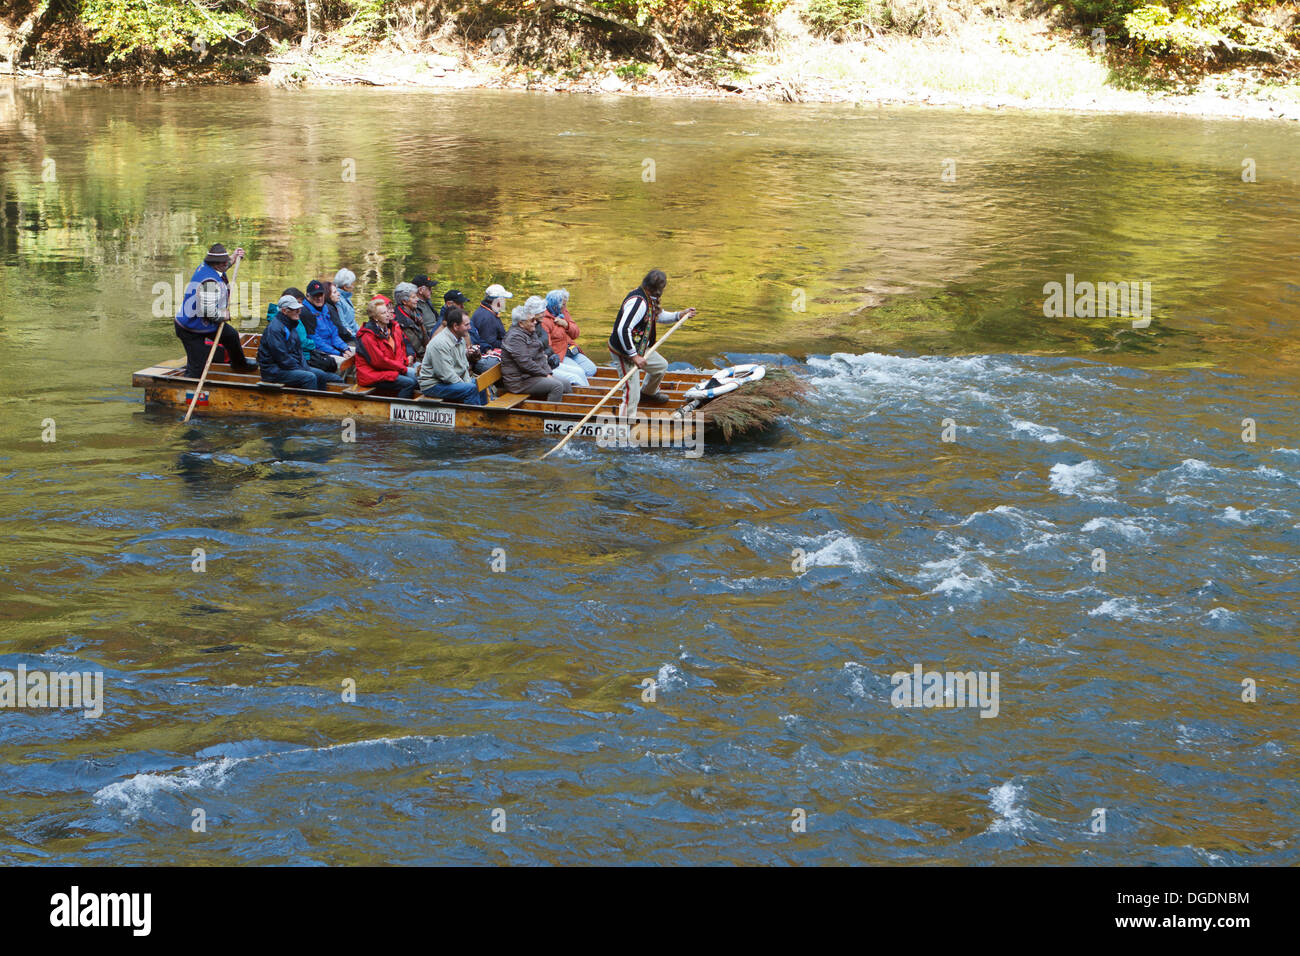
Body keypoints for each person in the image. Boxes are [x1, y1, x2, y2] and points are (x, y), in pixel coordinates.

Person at [609, 269, 696, 418]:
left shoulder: (649, 297)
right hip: (624, 352)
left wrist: (678, 315)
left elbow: (657, 315)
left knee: (660, 366)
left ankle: (648, 393)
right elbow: (622, 329)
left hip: (640, 348)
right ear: (656, 289)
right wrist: (634, 356)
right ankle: (624, 430)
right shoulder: (638, 302)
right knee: (632, 395)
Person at [174, 243, 256, 377]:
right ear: (216, 264)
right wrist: (224, 315)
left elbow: (224, 265)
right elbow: (208, 312)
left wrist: (234, 257)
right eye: (224, 262)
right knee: (197, 367)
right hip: (190, 328)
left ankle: (239, 364)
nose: (226, 264)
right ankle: (187, 386)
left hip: (204, 322)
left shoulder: (207, 266)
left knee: (231, 335)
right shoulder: (209, 283)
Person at [257, 294, 340, 389]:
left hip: (288, 366)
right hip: (274, 371)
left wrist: (304, 367)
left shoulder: (291, 325)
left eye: (299, 309)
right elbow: (281, 357)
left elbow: (298, 352)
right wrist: (301, 369)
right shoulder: (275, 329)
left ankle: (321, 400)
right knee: (309, 377)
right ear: (284, 311)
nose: (299, 312)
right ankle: (309, 403)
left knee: (320, 375)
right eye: (295, 310)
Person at [501, 305, 571, 403]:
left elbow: (541, 355)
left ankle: (565, 411)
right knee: (557, 386)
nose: (535, 322)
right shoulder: (514, 338)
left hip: (531, 376)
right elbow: (525, 363)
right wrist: (545, 374)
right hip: (519, 381)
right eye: (532, 320)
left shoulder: (530, 332)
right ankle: (549, 416)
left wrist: (548, 372)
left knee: (566, 383)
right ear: (521, 323)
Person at [417, 308, 487, 405]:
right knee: (470, 389)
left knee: (481, 384)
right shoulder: (440, 343)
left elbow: (463, 366)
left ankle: (485, 413)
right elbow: (446, 375)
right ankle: (475, 417)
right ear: (455, 326)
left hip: (450, 380)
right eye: (466, 325)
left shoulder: (460, 339)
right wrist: (466, 385)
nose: (470, 327)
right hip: (433, 385)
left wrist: (468, 382)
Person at [354, 297, 418, 399]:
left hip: (387, 369)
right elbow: (379, 361)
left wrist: (405, 363)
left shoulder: (389, 329)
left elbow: (399, 350)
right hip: (371, 375)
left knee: (420, 378)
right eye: (383, 313)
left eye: (387, 311)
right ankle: (398, 410)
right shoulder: (367, 336)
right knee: (410, 382)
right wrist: (403, 368)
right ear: (375, 318)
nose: (388, 315)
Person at [522, 295, 588, 388]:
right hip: (539, 370)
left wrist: (551, 355)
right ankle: (585, 398)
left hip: (548, 364)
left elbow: (546, 348)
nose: (543, 314)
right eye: (540, 312)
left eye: (543, 311)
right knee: (575, 377)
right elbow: (528, 357)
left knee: (580, 371)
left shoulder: (539, 325)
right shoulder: (525, 331)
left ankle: (587, 396)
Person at [301, 279, 354, 371]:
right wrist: (339, 353)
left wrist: (345, 348)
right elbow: (316, 341)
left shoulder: (325, 308)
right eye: (315, 295)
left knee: (359, 354)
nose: (319, 298)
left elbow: (334, 333)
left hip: (332, 347)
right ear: (308, 296)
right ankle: (340, 382)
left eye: (321, 295)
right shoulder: (305, 312)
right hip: (319, 352)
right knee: (344, 362)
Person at [544, 288, 599, 378]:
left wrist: (566, 324)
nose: (565, 308)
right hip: (559, 353)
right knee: (580, 372)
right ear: (555, 305)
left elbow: (576, 333)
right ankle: (576, 385)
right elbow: (547, 346)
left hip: (570, 349)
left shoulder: (564, 312)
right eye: (563, 305)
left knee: (591, 369)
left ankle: (581, 383)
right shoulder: (544, 320)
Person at [392, 282, 431, 364]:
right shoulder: (401, 320)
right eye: (413, 297)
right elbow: (416, 347)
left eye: (416, 296)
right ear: (404, 301)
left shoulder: (416, 312)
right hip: (414, 359)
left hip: (424, 353)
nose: (417, 299)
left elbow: (426, 341)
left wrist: (422, 328)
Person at [470, 283, 512, 352]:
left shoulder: (485, 311)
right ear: (498, 301)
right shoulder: (488, 317)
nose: (504, 301)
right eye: (503, 299)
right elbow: (490, 343)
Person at [333, 268, 360, 339]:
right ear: (345, 287)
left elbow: (352, 321)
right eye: (352, 284)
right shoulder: (338, 300)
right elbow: (343, 324)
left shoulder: (347, 298)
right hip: (349, 337)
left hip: (354, 334)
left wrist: (361, 333)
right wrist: (355, 336)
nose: (353, 286)